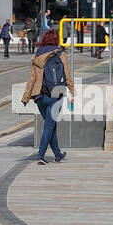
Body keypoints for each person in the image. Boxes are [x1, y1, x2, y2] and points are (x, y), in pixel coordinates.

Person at [22, 29, 74, 165]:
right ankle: (41, 155)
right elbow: (67, 74)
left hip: (39, 97)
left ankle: (57, 154)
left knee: (51, 125)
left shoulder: (38, 55)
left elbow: (32, 78)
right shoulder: (60, 54)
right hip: (55, 96)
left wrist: (26, 97)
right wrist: (72, 91)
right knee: (49, 126)